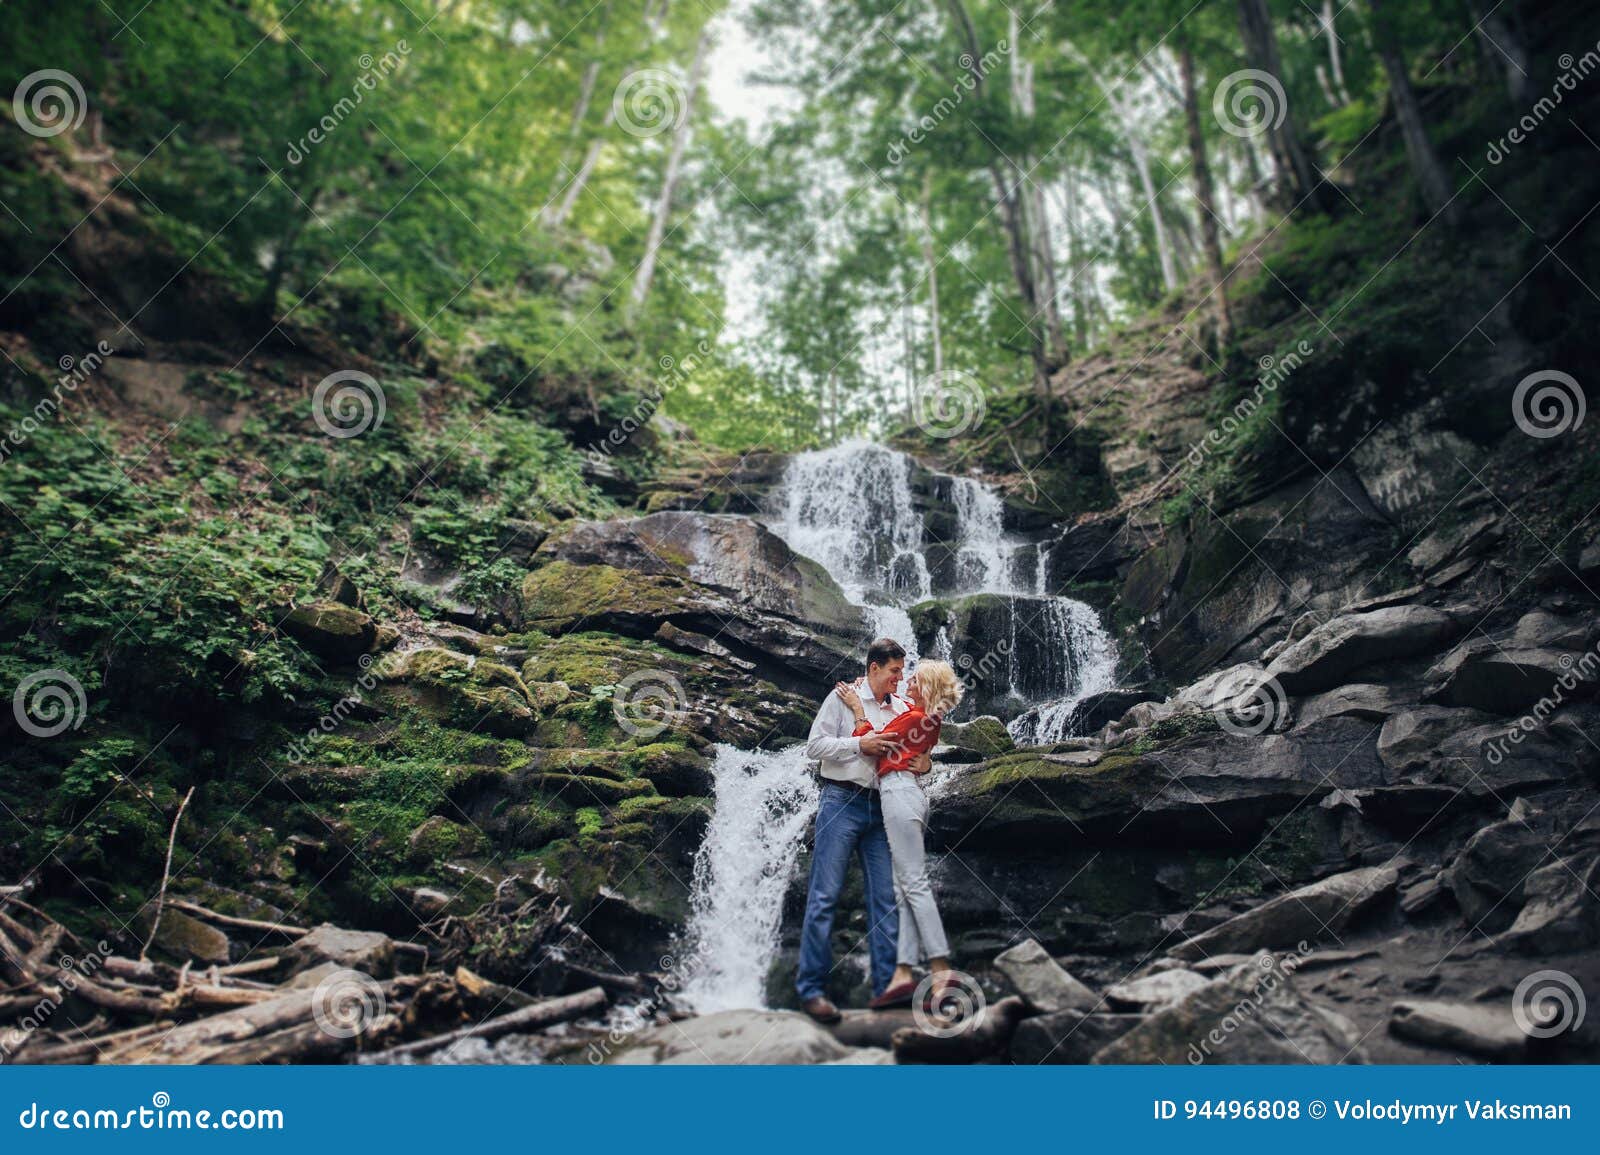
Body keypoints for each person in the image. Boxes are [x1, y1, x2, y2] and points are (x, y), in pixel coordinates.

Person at [796, 638, 929, 1023]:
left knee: (886, 899)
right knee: (824, 896)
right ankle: (811, 991)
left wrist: (924, 763)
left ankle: (888, 989)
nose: (899, 679)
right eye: (893, 671)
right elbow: (814, 746)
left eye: (903, 672)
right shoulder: (841, 698)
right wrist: (859, 743)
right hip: (841, 802)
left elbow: (917, 758)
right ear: (874, 668)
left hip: (884, 808)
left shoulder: (904, 708)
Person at [836, 659, 963, 1009]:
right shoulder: (928, 720)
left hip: (897, 794)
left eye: (915, 679)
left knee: (914, 883)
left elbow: (870, 744)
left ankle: (940, 970)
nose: (906, 682)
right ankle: (903, 974)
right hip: (909, 794)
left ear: (927, 688)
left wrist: (859, 708)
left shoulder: (913, 718)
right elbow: (915, 746)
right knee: (903, 886)